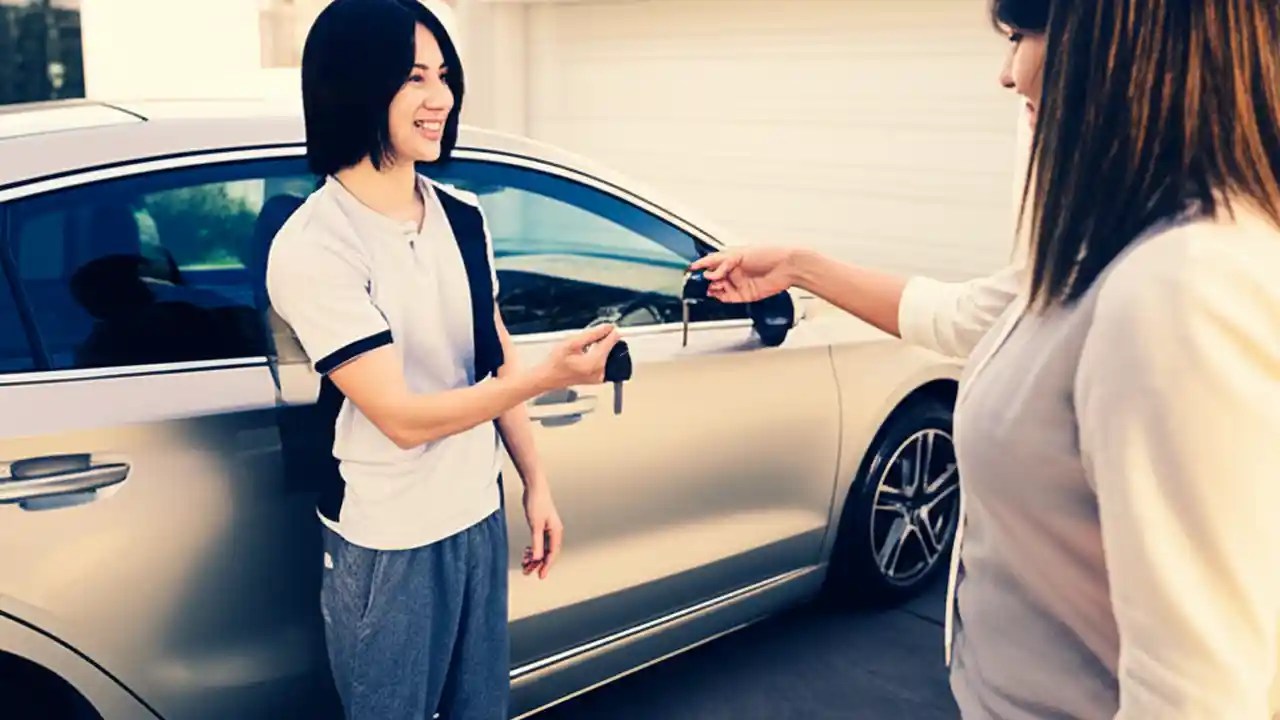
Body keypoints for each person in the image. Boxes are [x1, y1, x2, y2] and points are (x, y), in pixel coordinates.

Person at [692, 0, 1280, 717]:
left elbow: (1198, 697)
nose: (1008, 76)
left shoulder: (1183, 286)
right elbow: (966, 315)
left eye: (1020, 37)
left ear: (1115, 44)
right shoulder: (1105, 248)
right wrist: (801, 265)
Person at [265, 1, 621, 718]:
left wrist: (535, 481)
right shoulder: (316, 244)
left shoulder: (462, 215)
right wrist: (552, 376)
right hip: (388, 542)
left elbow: (495, 361)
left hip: (475, 516)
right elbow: (399, 419)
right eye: (415, 78)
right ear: (355, 85)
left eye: (445, 75)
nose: (442, 99)